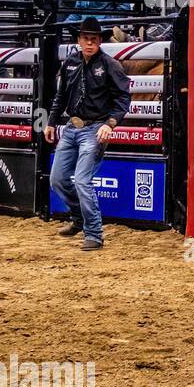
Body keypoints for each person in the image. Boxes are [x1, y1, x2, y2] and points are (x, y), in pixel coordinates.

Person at [46, 16, 131, 250]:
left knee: (82, 180)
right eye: (86, 38)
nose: (90, 43)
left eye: (94, 39)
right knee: (58, 179)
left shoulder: (110, 65)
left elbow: (123, 98)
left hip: (95, 127)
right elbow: (61, 95)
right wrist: (52, 122)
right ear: (79, 40)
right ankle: (78, 217)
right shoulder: (70, 62)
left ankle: (93, 233)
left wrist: (110, 124)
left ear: (100, 41)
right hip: (73, 127)